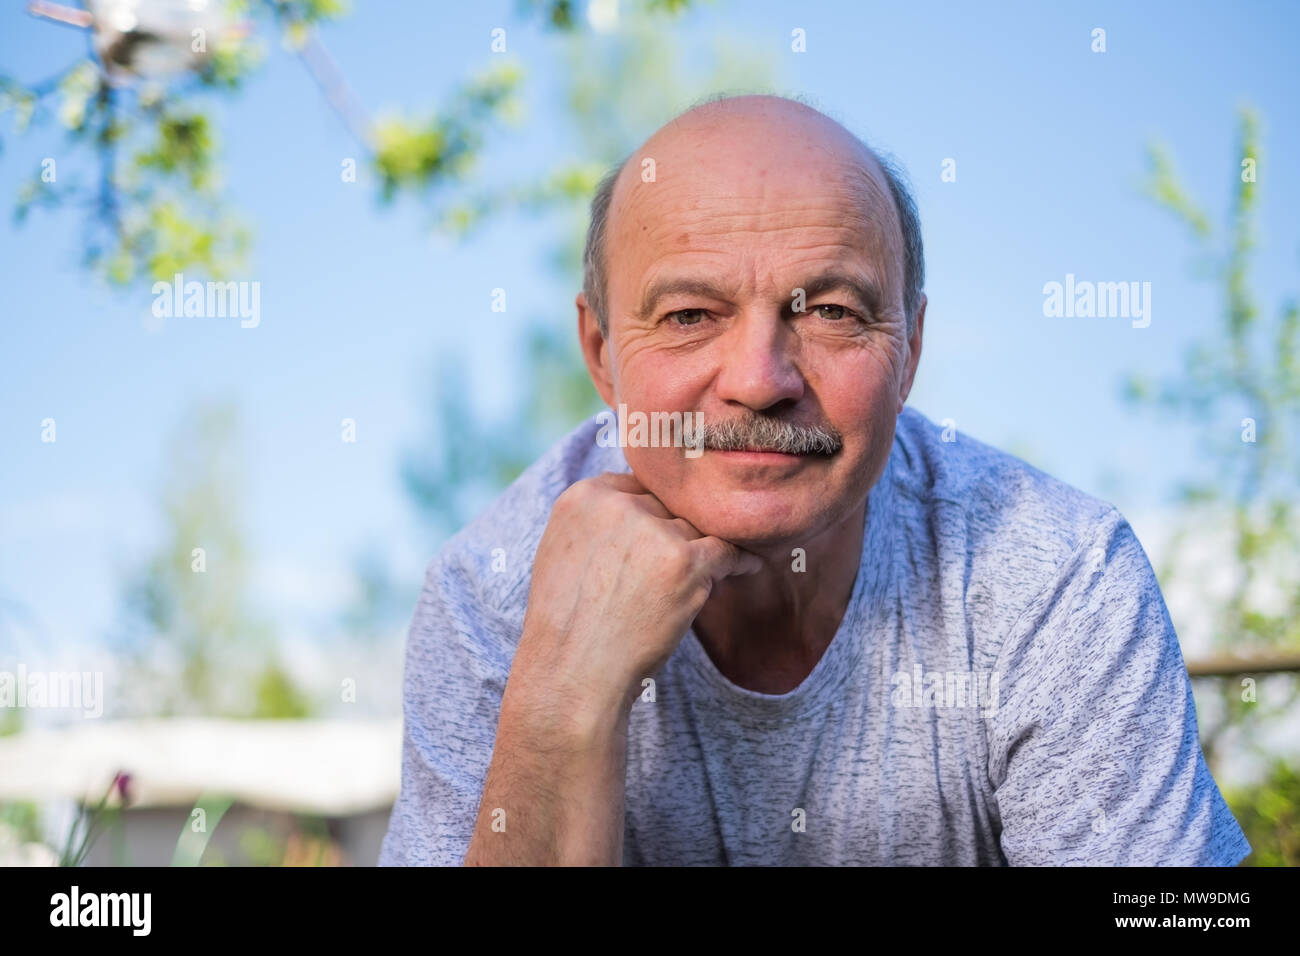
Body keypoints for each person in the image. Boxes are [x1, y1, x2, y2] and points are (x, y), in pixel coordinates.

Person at [378, 94, 1250, 866]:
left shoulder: (1055, 576)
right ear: (603, 357)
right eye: (689, 315)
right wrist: (560, 701)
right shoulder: (491, 594)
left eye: (830, 311)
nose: (759, 378)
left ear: (908, 349)